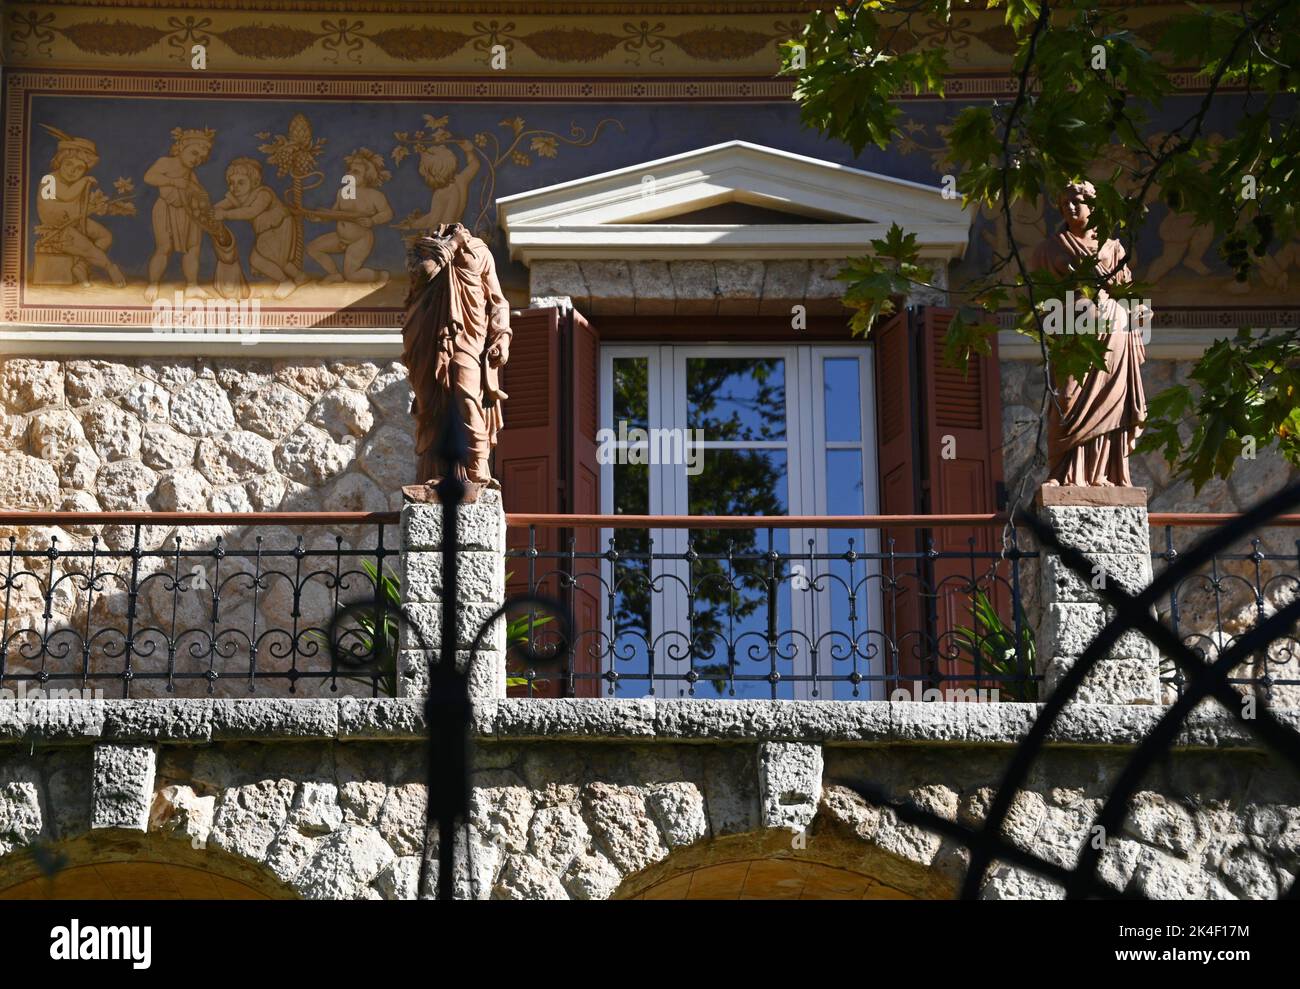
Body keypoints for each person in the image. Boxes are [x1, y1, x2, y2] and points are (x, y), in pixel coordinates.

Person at [1031, 180, 1148, 487]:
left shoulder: (1114, 248)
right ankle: (1063, 473)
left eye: (1077, 201)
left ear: (1093, 207)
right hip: (1071, 333)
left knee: (1111, 400)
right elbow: (1038, 298)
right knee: (1067, 398)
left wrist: (1139, 314)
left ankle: (1104, 474)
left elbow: (1128, 294)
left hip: (1114, 332)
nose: (1070, 207)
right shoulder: (1049, 249)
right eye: (1065, 203)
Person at [402, 221, 512, 490]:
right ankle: (439, 470)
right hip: (428, 338)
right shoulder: (424, 251)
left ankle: (477, 467)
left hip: (469, 336)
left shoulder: (482, 253)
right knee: (433, 405)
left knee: (467, 394)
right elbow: (424, 276)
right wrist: (452, 244)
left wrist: (502, 338)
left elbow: (497, 301)